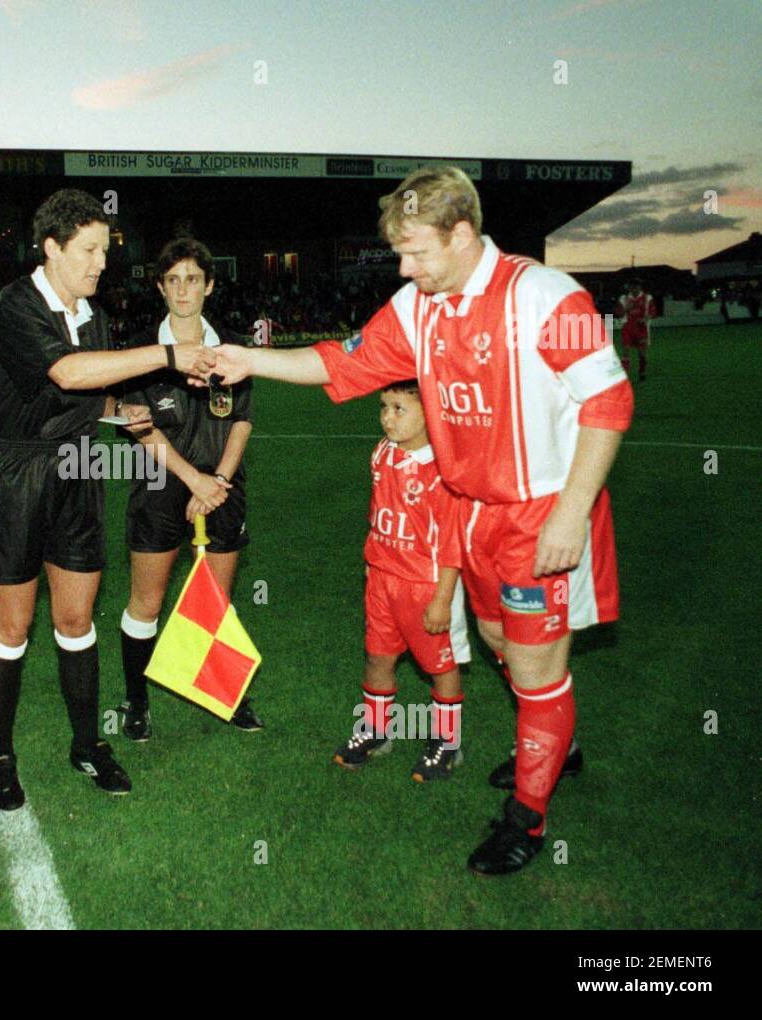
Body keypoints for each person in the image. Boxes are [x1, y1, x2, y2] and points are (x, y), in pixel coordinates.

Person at [209, 165, 633, 875]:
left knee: (532, 665)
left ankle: (526, 822)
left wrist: (571, 512)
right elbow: (342, 361)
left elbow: (609, 402)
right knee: (500, 638)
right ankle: (555, 737)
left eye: (416, 251)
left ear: (463, 233)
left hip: (540, 515)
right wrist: (244, 359)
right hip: (467, 512)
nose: (403, 267)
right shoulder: (418, 306)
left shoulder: (545, 296)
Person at [0, 188, 215, 810]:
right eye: (88, 250)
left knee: (77, 621)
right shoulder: (16, 304)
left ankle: (87, 745)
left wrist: (120, 410)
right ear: (51, 247)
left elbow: (87, 393)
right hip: (17, 472)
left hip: (78, 467)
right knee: (13, 625)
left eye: (104, 250)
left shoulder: (92, 312)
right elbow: (68, 374)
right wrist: (166, 354)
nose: (100, 263)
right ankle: (0, 753)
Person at [116, 236, 261, 741]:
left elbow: (241, 421)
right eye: (173, 279)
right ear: (159, 287)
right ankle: (136, 702)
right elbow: (140, 428)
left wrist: (218, 480)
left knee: (216, 603)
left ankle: (228, 694)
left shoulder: (233, 346)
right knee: (147, 603)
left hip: (222, 487)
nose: (183, 289)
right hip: (161, 484)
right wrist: (193, 478)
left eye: (193, 279)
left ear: (210, 285)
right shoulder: (143, 351)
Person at [331, 379, 471, 781]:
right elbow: (379, 512)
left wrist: (443, 598)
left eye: (399, 409)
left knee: (439, 664)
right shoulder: (382, 454)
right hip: (382, 579)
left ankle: (447, 741)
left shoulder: (443, 470)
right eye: (383, 408)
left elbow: (450, 542)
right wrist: (372, 560)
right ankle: (376, 731)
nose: (387, 419)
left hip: (426, 584)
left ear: (430, 414)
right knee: (378, 655)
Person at [618, 279, 656, 382]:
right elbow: (619, 314)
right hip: (627, 327)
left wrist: (645, 318)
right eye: (632, 287)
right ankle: (624, 377)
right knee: (625, 351)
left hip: (641, 329)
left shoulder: (647, 298)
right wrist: (627, 308)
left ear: (640, 287)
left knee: (642, 354)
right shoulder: (624, 298)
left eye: (636, 287)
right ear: (629, 288)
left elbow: (653, 312)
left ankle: (642, 371)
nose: (634, 289)